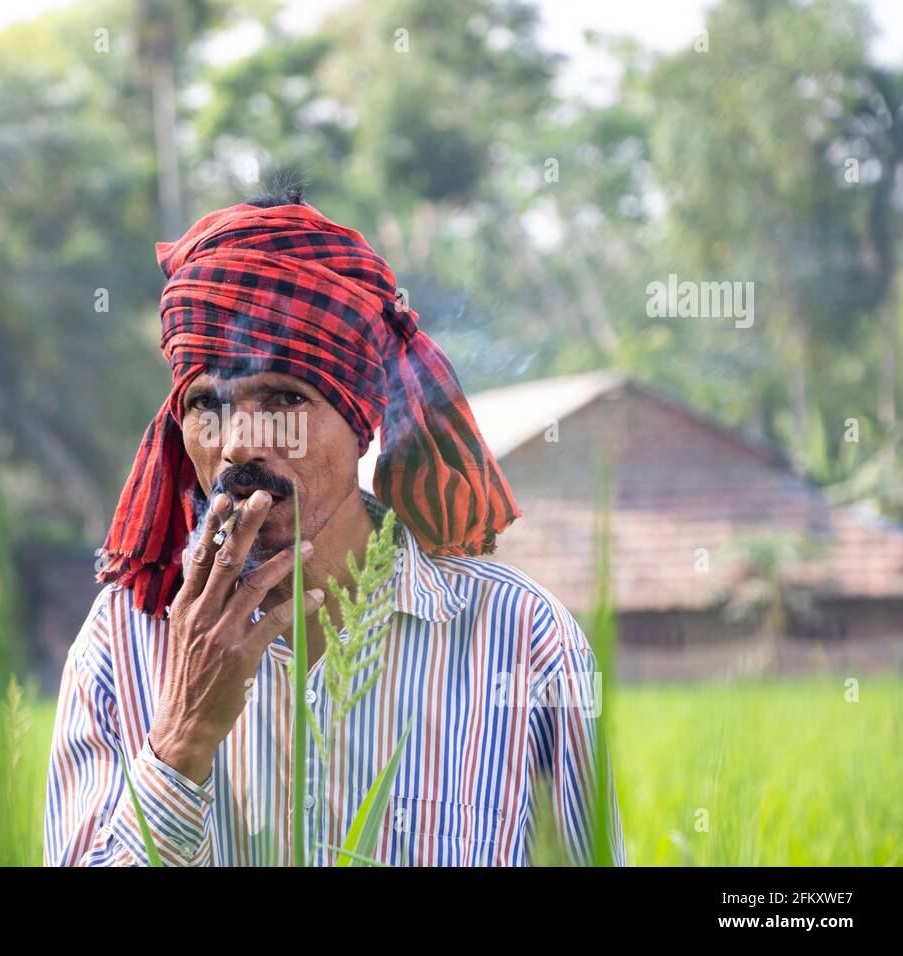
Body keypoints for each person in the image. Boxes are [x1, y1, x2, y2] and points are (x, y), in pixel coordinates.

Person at [43, 182, 626, 866]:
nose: (238, 445)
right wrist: (181, 741)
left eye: (285, 397)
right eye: (208, 403)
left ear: (363, 422)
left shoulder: (522, 640)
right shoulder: (123, 644)